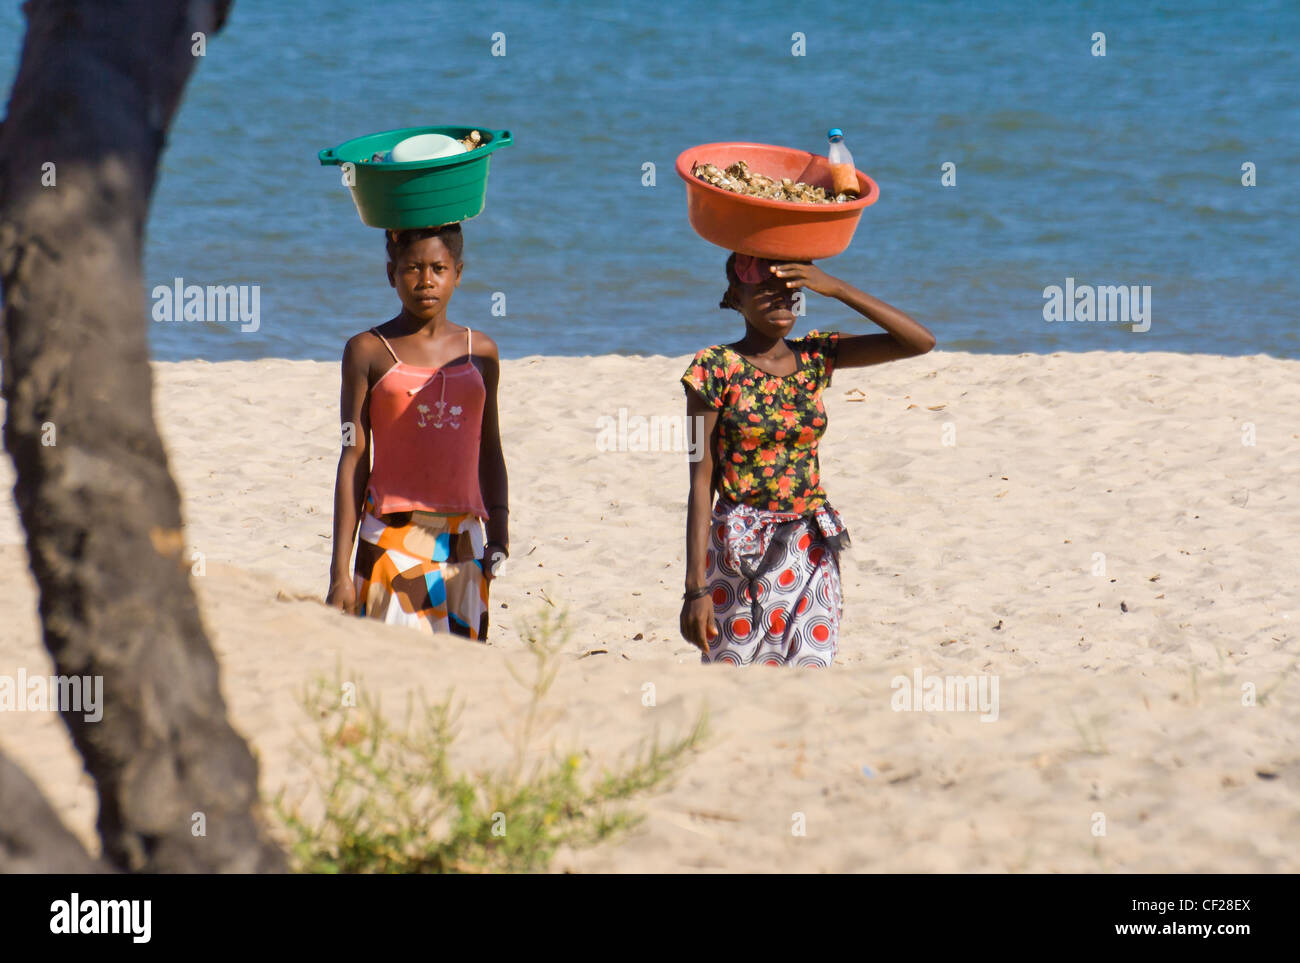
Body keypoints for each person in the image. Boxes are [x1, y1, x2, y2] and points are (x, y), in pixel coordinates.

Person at [679, 253, 935, 666]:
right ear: (736, 297)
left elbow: (919, 342)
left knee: (810, 676)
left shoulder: (816, 356)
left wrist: (836, 288)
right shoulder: (713, 368)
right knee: (735, 682)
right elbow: (699, 480)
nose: (781, 301)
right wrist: (696, 588)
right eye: (765, 291)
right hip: (738, 552)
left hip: (810, 545)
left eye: (790, 291)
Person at [326, 223, 509, 640]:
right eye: (412, 268)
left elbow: (490, 450)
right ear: (391, 273)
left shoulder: (481, 353)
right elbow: (354, 456)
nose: (426, 280)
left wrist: (499, 539)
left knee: (459, 672)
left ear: (458, 273)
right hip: (390, 541)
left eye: (438, 268)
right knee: (390, 669)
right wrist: (339, 572)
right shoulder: (367, 351)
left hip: (464, 545)